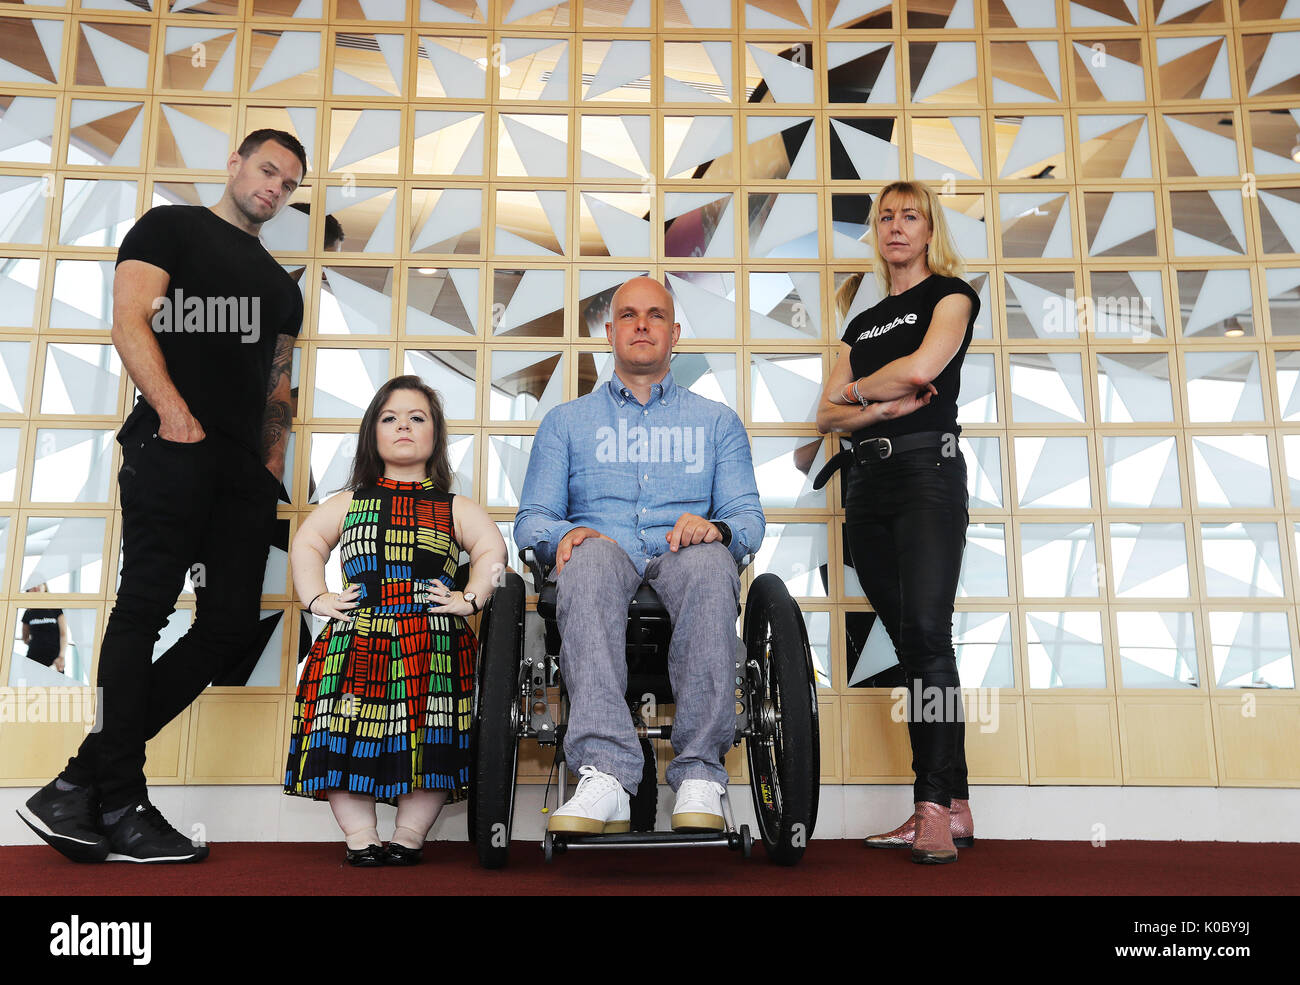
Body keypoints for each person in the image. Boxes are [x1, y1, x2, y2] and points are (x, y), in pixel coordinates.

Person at [18, 129, 308, 864]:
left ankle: (81, 780)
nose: (275, 187)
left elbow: (278, 383)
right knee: (143, 609)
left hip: (242, 475)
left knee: (229, 624)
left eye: (289, 183)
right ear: (235, 163)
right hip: (169, 447)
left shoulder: (282, 286)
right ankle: (120, 797)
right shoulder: (170, 226)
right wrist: (176, 416)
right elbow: (130, 318)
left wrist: (269, 466)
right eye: (268, 169)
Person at [514, 276, 765, 836]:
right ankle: (603, 774)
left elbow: (748, 521)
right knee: (589, 557)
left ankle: (699, 774)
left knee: (709, 562)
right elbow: (531, 521)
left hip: (684, 555)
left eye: (655, 315)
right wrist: (563, 538)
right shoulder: (566, 423)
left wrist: (717, 528)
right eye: (629, 315)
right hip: (604, 558)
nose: (643, 324)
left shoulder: (718, 422)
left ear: (674, 333)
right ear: (610, 333)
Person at [815, 179, 979, 865]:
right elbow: (825, 415)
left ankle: (932, 808)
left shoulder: (952, 296)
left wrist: (858, 392)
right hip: (868, 485)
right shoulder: (861, 323)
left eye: (911, 216)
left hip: (927, 477)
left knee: (927, 637)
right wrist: (872, 405)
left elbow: (922, 367)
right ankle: (958, 801)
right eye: (886, 217)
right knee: (914, 647)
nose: (896, 227)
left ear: (930, 229)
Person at [284, 376, 506, 866]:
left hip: (435, 646)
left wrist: (470, 599)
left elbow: (494, 550)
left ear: (435, 435)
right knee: (341, 736)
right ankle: (361, 837)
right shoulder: (346, 502)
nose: (403, 425)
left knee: (431, 741)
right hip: (354, 640)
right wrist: (317, 597)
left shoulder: (455, 507)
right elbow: (307, 543)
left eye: (417, 417)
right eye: (390, 418)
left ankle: (408, 837)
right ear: (372, 434)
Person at [20, 585, 66, 671]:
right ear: (28, 590)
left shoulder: (56, 609)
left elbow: (63, 635)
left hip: (54, 661)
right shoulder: (28, 612)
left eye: (39, 584)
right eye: (32, 585)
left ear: (44, 587)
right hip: (33, 660)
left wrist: (61, 656)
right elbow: (25, 638)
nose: (36, 587)